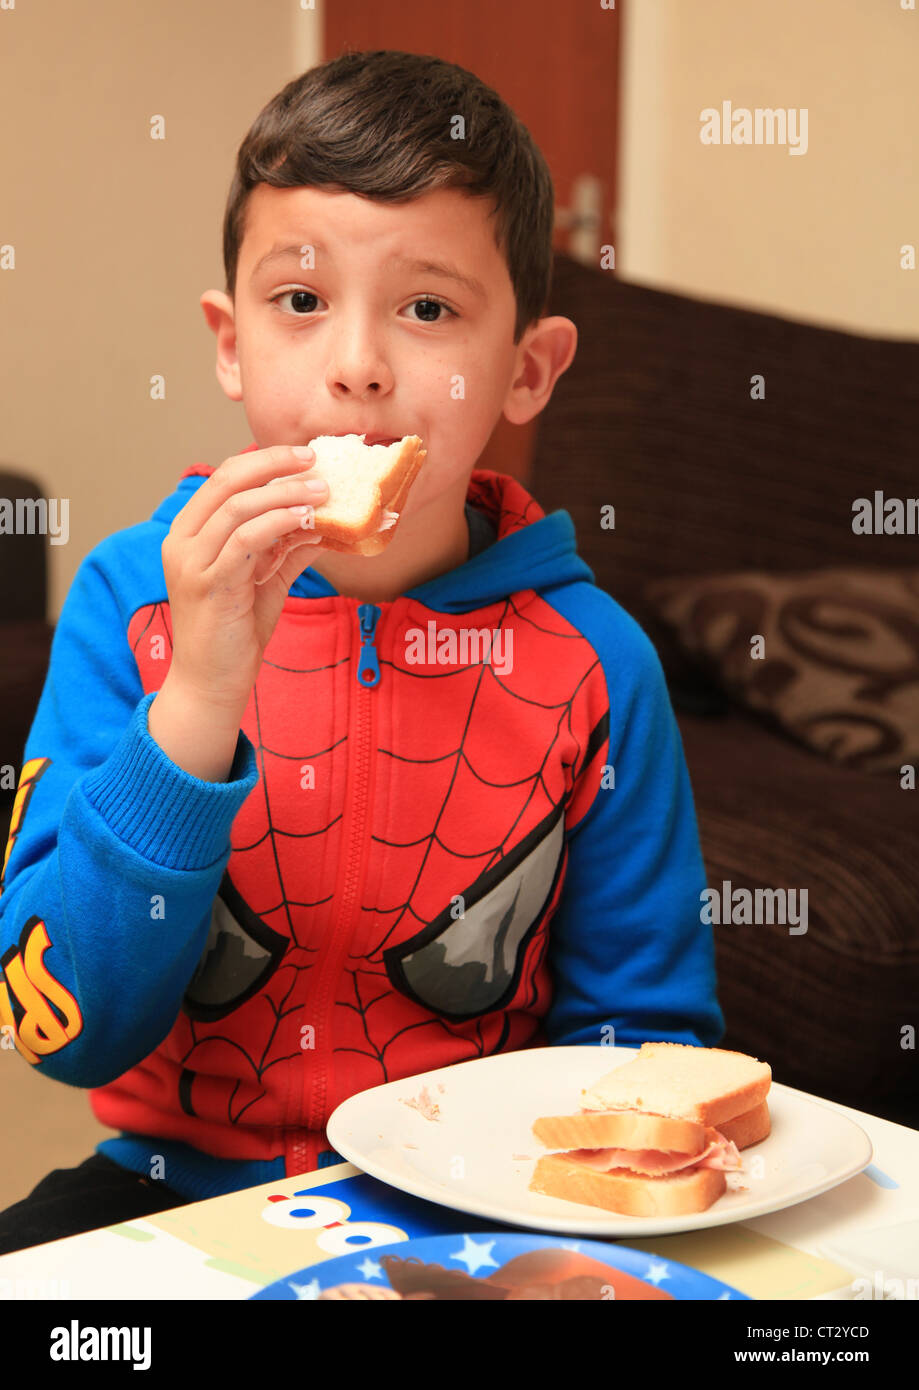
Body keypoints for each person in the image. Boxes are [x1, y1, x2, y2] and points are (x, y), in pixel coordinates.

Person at [0, 50, 724, 1256]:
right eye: (300, 302)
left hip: (470, 1206)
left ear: (528, 368)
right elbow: (62, 1030)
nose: (356, 364)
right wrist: (201, 690)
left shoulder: (601, 664)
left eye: (427, 308)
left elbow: (642, 1038)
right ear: (230, 346)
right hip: (165, 1187)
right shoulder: (130, 603)